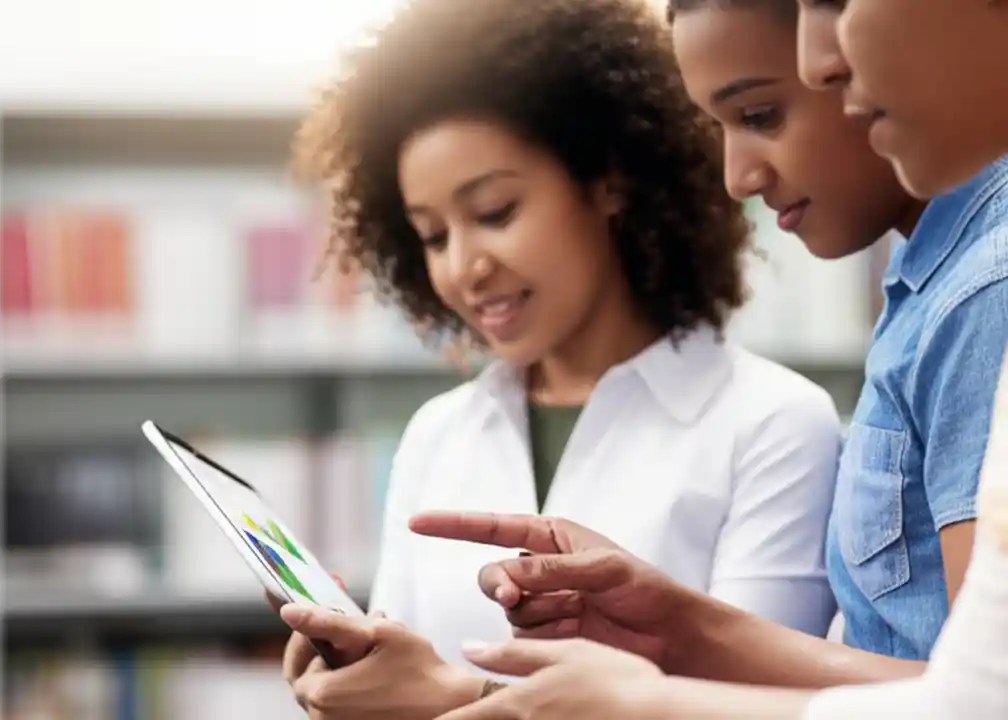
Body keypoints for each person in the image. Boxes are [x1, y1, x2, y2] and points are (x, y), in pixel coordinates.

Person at [278, 0, 1008, 717]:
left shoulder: (794, 407)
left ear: (610, 178)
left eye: (496, 211)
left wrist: (481, 697)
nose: (466, 266)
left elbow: (970, 694)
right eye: (433, 236)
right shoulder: (436, 434)